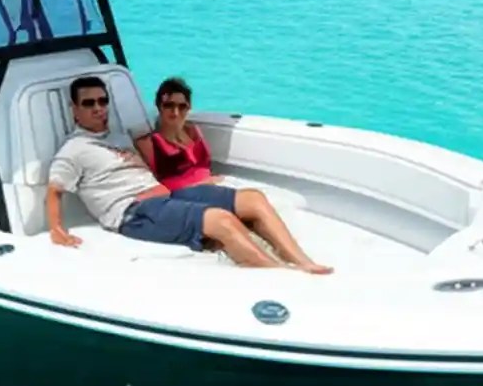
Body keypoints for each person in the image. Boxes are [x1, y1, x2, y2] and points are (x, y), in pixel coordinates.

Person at [45, 76, 331, 274]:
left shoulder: (118, 136)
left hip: (168, 197)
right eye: (88, 104)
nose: (98, 108)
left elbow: (160, 156)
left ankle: (302, 261)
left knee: (253, 200)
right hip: (133, 213)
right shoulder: (74, 149)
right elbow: (54, 190)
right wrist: (58, 230)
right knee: (221, 220)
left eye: (102, 101)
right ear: (74, 110)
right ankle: (282, 276)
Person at [132, 77, 332, 274]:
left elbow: (204, 164)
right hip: (184, 193)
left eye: (182, 106)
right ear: (159, 106)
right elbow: (142, 175)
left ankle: (300, 260)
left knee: (256, 203)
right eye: (169, 106)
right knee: (254, 199)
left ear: (189, 107)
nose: (175, 112)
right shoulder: (149, 142)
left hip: (208, 188)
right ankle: (284, 268)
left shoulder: (193, 132)